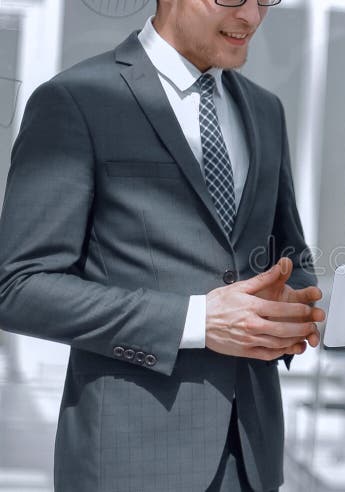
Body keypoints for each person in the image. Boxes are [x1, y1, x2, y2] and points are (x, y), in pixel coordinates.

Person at [0, 1, 324, 490]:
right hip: (130, 461)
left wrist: (290, 305)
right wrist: (196, 321)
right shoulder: (76, 100)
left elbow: (290, 257)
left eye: (264, 0)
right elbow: (17, 287)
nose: (252, 17)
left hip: (252, 459)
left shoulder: (265, 110)